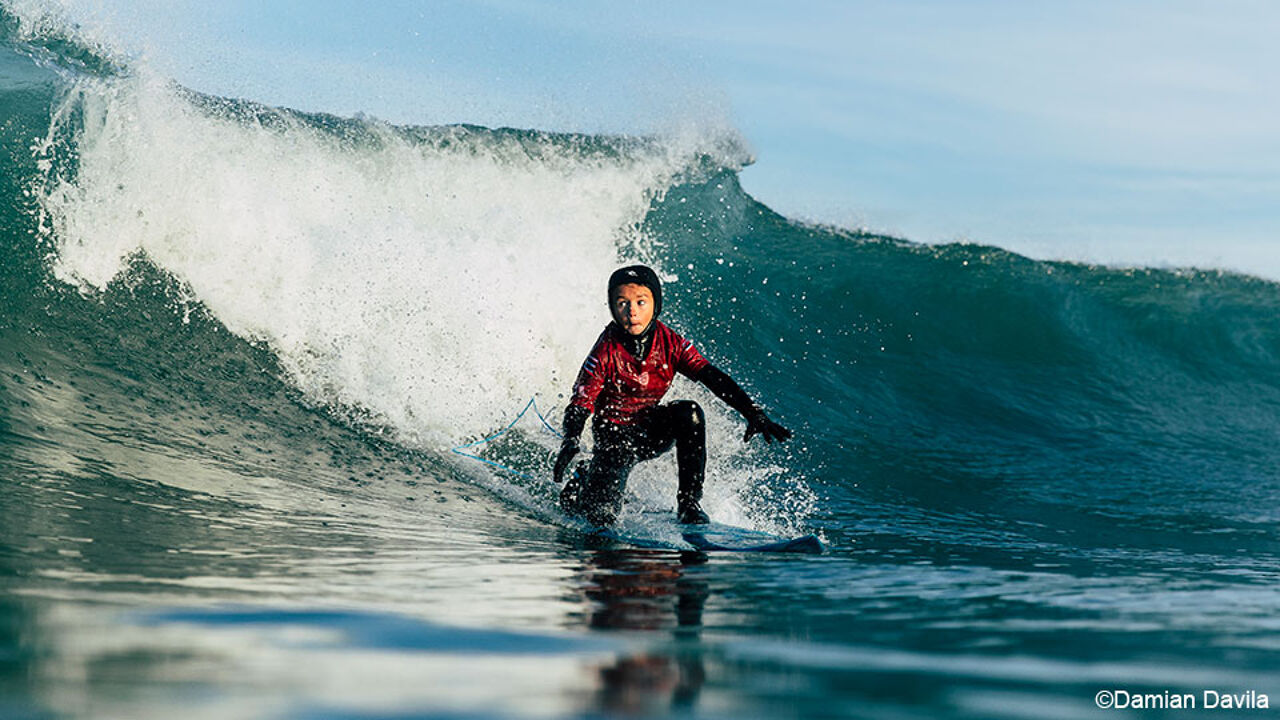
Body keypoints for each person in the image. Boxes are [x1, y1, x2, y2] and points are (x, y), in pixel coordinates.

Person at [554, 264, 791, 527]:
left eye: (641, 302)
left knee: (688, 412)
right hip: (613, 439)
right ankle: (586, 476)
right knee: (598, 518)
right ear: (612, 306)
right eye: (622, 303)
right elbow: (580, 403)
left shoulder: (670, 343)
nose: (632, 311)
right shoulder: (605, 352)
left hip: (649, 429)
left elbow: (711, 376)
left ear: (655, 304)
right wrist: (571, 438)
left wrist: (752, 412)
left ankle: (689, 503)